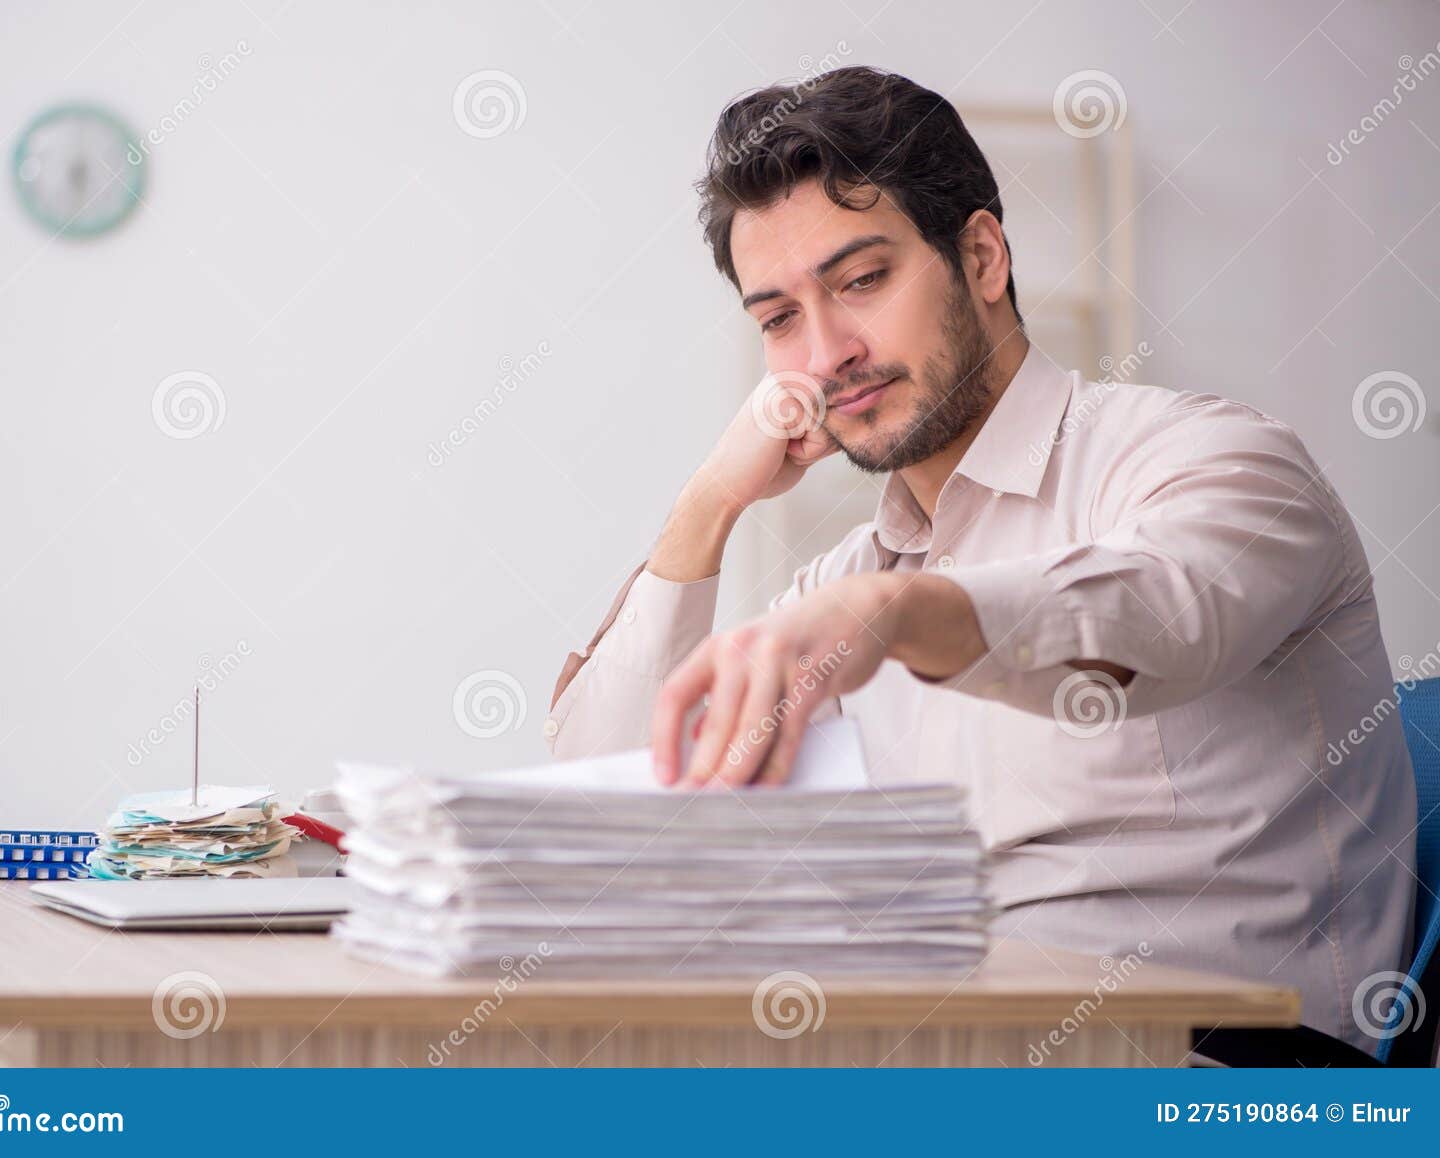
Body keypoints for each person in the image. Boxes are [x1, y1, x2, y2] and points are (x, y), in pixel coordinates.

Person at [543, 66, 1416, 1056]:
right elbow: (611, 810)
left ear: (984, 257)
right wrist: (707, 506)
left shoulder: (1214, 461)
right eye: (779, 319)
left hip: (1221, 1073)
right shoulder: (846, 581)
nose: (824, 354)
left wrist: (903, 615)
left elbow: (1168, 616)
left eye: (861, 280)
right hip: (951, 1053)